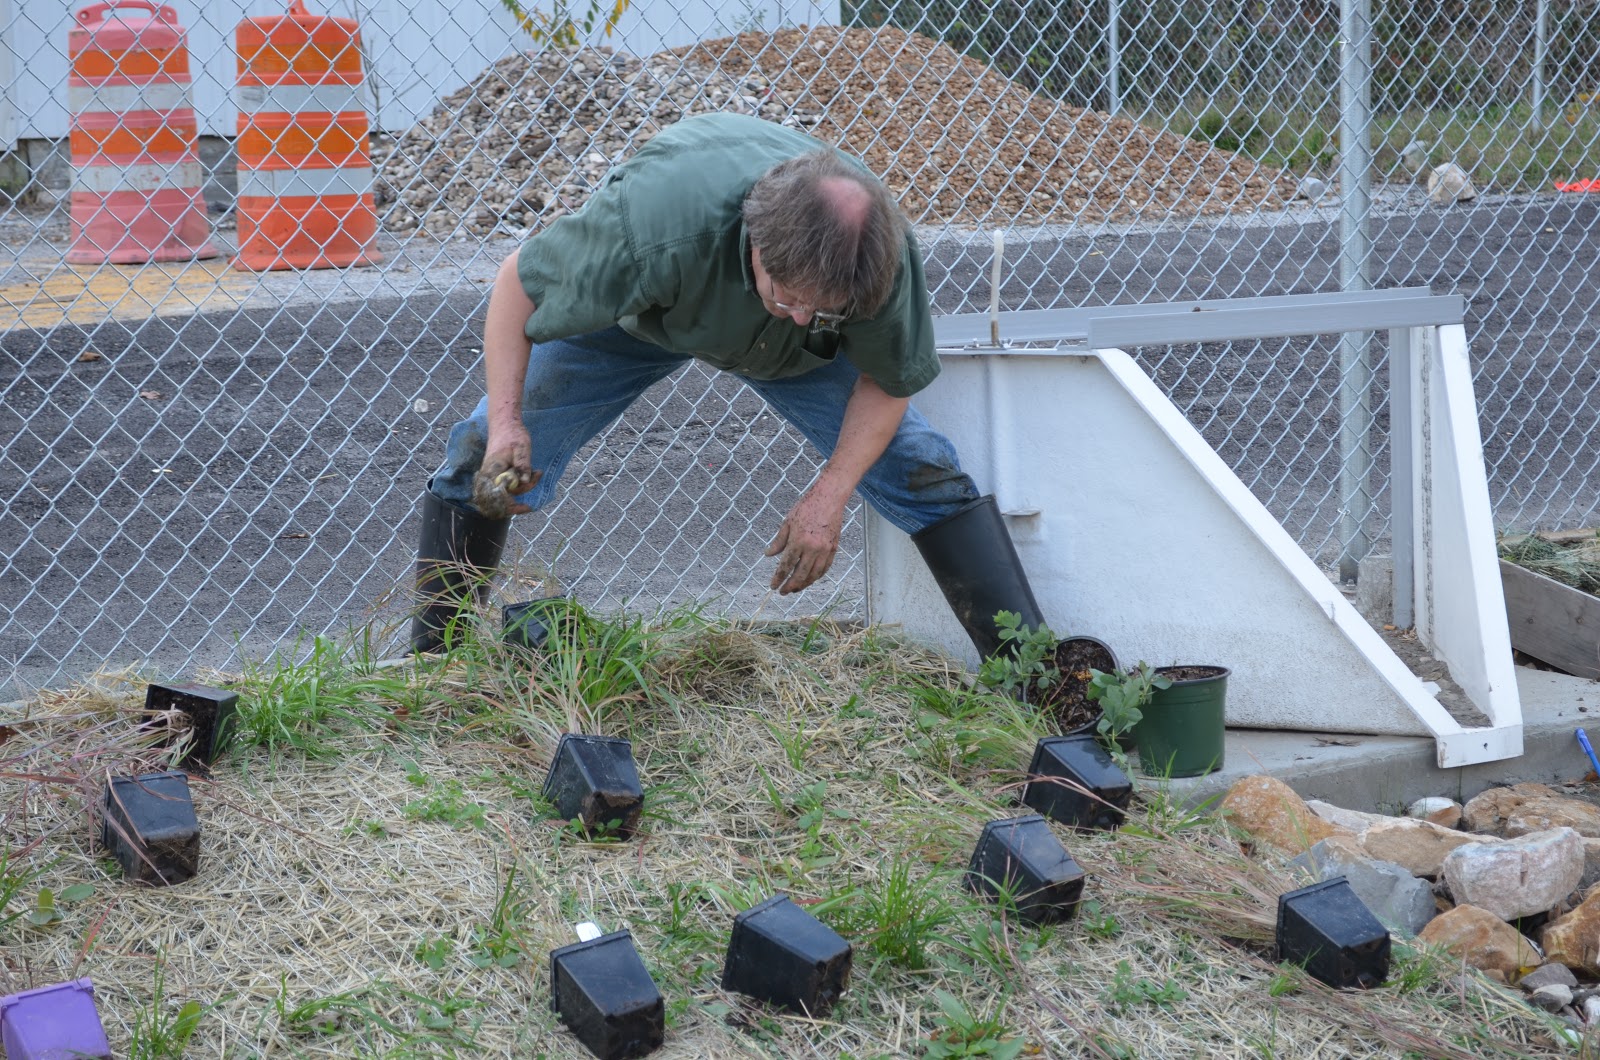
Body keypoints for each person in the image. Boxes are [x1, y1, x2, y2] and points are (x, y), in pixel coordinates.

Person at [409, 111, 1043, 657]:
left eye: (821, 311)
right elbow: (517, 284)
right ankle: (437, 664)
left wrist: (830, 495)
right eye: (788, 298)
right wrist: (508, 422)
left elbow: (888, 378)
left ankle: (1030, 672)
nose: (801, 316)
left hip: (794, 360)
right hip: (650, 314)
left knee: (921, 465)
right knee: (479, 455)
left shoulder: (875, 256)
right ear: (757, 247)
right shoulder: (654, 223)